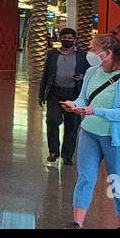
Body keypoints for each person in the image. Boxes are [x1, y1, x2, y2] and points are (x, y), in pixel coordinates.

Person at [64, 33, 120, 229]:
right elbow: (84, 98)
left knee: (115, 181)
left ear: (107, 53)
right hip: (90, 132)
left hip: (116, 138)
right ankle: (77, 224)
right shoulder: (92, 72)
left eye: (93, 49)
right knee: (85, 177)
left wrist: (94, 110)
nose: (90, 53)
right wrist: (75, 104)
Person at [40, 27, 91, 165]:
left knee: (72, 125)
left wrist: (82, 76)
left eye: (70, 38)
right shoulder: (52, 54)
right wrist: (41, 94)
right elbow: (45, 74)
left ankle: (67, 155)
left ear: (75, 40)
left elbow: (91, 73)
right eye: (64, 38)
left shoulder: (82, 56)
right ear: (60, 38)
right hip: (55, 94)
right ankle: (53, 151)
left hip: (74, 95)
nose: (66, 40)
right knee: (52, 120)